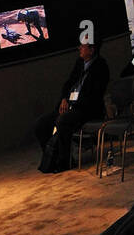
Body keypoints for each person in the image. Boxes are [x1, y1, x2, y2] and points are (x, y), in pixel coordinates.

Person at [34, 40, 108, 173]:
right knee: (41, 124)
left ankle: (65, 161)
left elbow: (94, 96)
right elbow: (68, 84)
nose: (79, 48)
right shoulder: (80, 63)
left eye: (83, 46)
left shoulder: (101, 67)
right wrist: (64, 99)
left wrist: (73, 105)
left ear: (92, 50)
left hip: (87, 110)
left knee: (63, 121)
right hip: (70, 106)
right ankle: (52, 158)